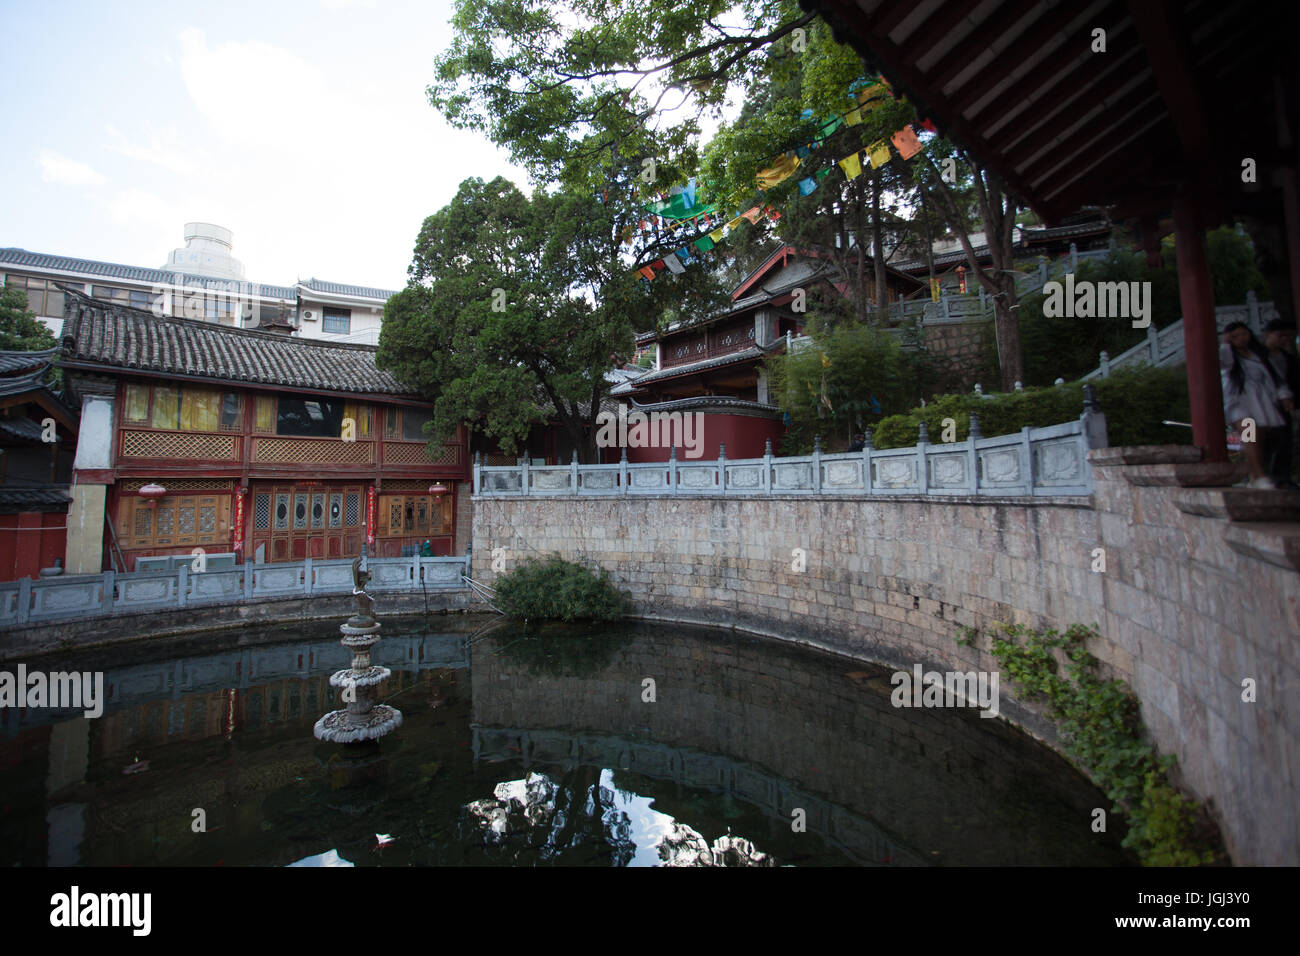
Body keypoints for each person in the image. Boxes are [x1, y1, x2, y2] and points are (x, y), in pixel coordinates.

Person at [1220, 321, 1293, 488]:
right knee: (1250, 437)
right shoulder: (1230, 357)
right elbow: (1224, 362)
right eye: (1235, 336)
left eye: (1244, 334)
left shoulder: (1258, 355)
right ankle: (1260, 476)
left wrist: (1284, 396)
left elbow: (1274, 378)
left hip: (1261, 403)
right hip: (1240, 403)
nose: (1241, 338)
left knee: (1256, 440)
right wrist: (1225, 343)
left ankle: (1254, 476)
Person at [1263, 318, 1300, 487]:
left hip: (1282, 407)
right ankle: (1259, 475)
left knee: (1284, 441)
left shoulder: (1288, 358)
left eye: (1287, 336)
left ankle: (1282, 477)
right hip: (1257, 407)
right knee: (1255, 441)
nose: (1284, 340)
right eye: (1280, 335)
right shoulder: (1257, 356)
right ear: (1268, 334)